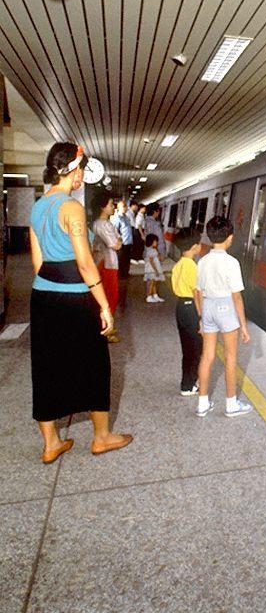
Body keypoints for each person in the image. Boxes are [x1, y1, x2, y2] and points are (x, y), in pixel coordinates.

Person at [29, 142, 133, 463]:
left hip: (43, 295)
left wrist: (50, 286)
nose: (82, 177)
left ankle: (51, 443)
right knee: (95, 362)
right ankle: (101, 437)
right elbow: (86, 264)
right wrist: (104, 305)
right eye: (82, 170)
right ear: (73, 171)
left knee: (46, 366)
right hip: (75, 296)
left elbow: (37, 261)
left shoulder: (37, 207)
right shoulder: (71, 207)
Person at [195, 216, 251, 418]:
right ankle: (231, 404)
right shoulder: (231, 262)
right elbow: (237, 297)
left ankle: (202, 403)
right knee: (230, 357)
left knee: (207, 356)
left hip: (208, 306)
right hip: (226, 307)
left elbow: (198, 291)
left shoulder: (202, 261)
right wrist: (243, 326)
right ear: (230, 237)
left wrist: (201, 317)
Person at [171, 228, 202, 396]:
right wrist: (201, 316)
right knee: (196, 348)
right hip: (191, 308)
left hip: (180, 307)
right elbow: (197, 293)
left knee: (187, 348)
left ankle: (186, 383)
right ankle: (189, 385)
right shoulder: (192, 266)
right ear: (194, 246)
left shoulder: (178, 264)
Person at [92, 190, 122, 343]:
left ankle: (108, 326)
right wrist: (118, 240)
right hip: (106, 264)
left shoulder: (104, 223)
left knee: (111, 295)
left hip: (108, 262)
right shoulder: (102, 224)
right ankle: (106, 330)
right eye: (111, 204)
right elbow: (116, 244)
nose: (113, 207)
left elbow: (118, 240)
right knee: (110, 296)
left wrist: (118, 240)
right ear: (102, 207)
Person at [111, 199, 133, 279]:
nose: (125, 208)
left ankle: (125, 273)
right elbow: (115, 231)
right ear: (118, 208)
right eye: (123, 206)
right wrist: (118, 242)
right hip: (122, 243)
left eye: (126, 206)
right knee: (121, 260)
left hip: (128, 242)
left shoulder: (126, 217)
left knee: (127, 260)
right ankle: (120, 275)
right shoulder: (117, 218)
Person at [144, 233, 165, 303]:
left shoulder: (154, 249)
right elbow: (151, 261)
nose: (157, 243)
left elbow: (159, 257)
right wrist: (155, 270)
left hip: (155, 268)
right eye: (155, 241)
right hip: (151, 269)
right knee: (151, 283)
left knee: (154, 283)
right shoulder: (150, 250)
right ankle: (149, 296)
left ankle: (155, 295)